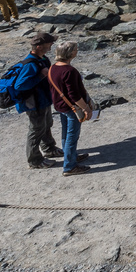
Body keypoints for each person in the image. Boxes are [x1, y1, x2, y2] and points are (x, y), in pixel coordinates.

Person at [6, 32, 63, 168]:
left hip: (43, 100)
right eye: (49, 43)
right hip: (34, 103)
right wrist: (40, 76)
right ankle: (34, 160)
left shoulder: (42, 59)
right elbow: (20, 85)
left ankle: (49, 149)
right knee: (36, 129)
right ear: (39, 46)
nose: (51, 46)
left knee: (47, 124)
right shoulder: (30, 64)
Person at [47, 41, 94, 175]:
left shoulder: (53, 68)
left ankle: (71, 156)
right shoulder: (70, 71)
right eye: (75, 49)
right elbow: (74, 95)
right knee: (72, 136)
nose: (77, 51)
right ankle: (69, 166)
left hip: (60, 105)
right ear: (71, 53)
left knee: (66, 133)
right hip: (71, 108)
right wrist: (86, 108)